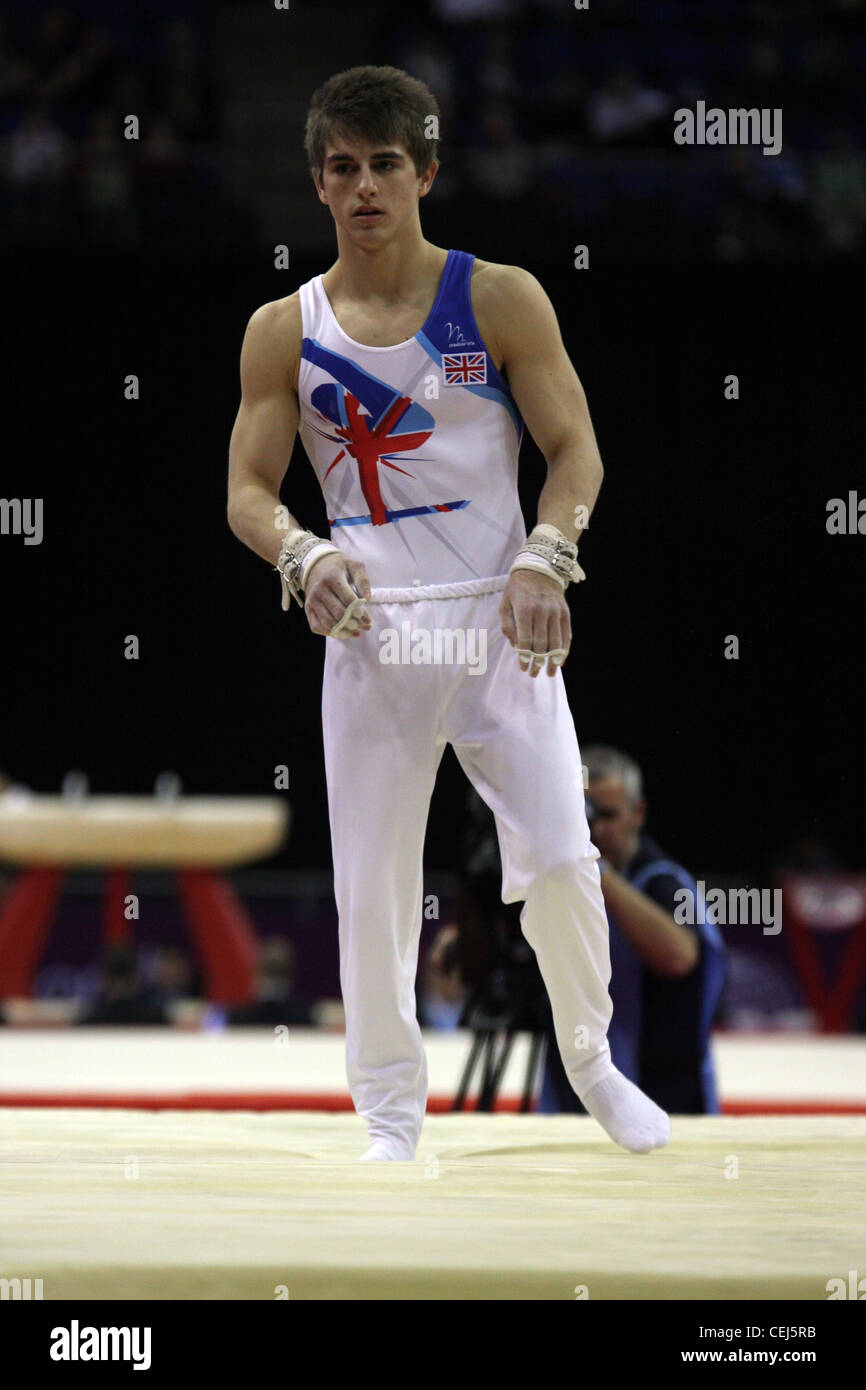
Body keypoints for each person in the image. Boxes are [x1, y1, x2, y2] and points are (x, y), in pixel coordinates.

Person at [227, 64, 670, 1160]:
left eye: (386, 164)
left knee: (565, 859)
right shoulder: (283, 329)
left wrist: (546, 556)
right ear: (319, 185)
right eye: (343, 168)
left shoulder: (501, 297)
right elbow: (245, 489)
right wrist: (299, 550)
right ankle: (388, 1116)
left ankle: (590, 1061)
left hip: (496, 625)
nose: (366, 186)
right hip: (369, 629)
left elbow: (575, 453)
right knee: (370, 888)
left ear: (425, 171)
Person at [537, 746, 727, 1115]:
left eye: (608, 815)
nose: (595, 828)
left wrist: (593, 870)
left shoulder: (665, 882)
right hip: (572, 1103)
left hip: (670, 1100)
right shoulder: (554, 883)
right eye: (583, 815)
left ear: (637, 813)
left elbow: (680, 957)